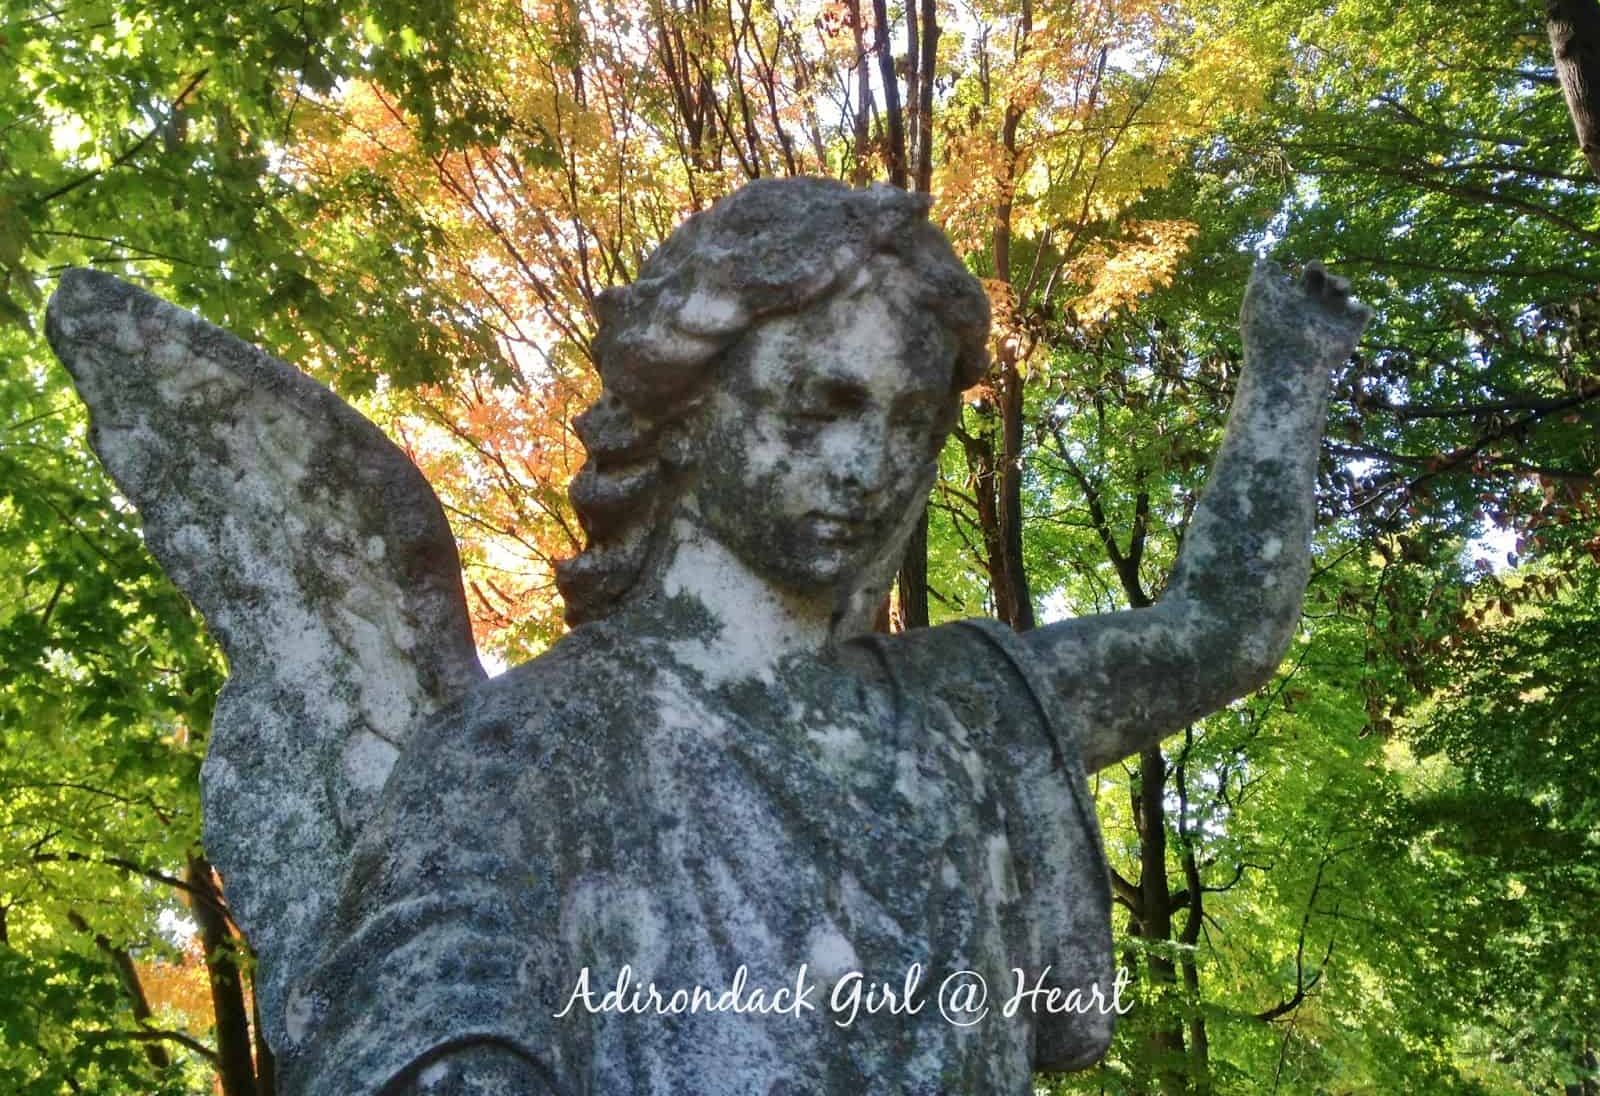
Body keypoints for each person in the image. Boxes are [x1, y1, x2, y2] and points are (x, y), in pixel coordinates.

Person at [47, 177, 1368, 1096]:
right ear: (690, 407)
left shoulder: (968, 704)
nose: (871, 463)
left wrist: (1285, 380)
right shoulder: (537, 746)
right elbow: (427, 1033)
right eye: (820, 405)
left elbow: (1220, 632)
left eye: (910, 423)